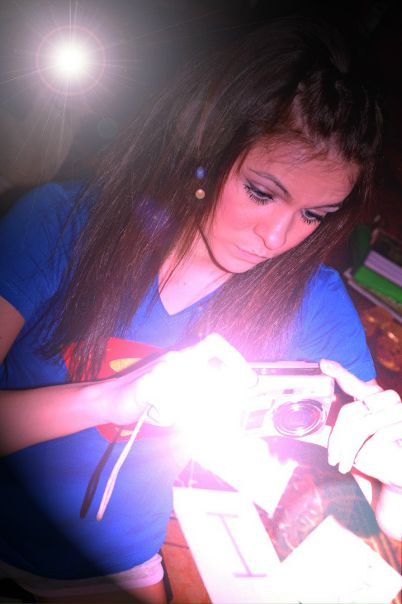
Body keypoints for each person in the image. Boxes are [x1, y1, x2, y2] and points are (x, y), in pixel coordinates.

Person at [0, 14, 397, 603]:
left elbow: (377, 523)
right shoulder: (59, 224)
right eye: (262, 192)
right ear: (207, 143)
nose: (278, 237)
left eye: (314, 215)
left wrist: (394, 479)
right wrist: (111, 399)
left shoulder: (313, 303)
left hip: (114, 568)